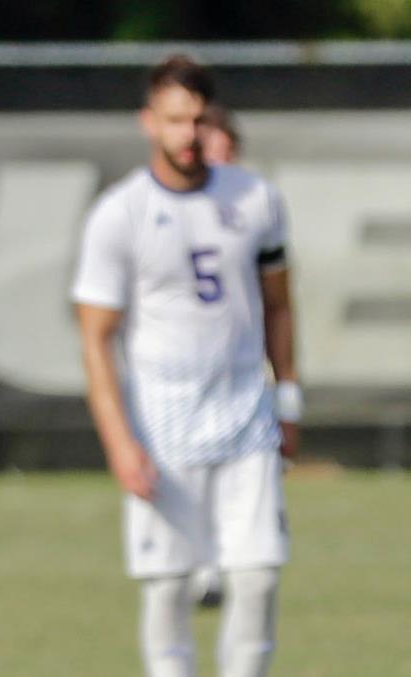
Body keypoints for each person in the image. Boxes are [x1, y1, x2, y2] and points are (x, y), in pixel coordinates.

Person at [73, 55, 302, 677]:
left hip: (244, 415)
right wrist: (119, 440)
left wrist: (288, 398)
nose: (188, 133)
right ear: (150, 122)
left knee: (257, 578)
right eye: (175, 119)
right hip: (162, 423)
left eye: (199, 119)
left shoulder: (255, 198)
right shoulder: (120, 213)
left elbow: (278, 304)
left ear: (213, 122)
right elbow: (96, 337)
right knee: (168, 586)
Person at [188, 98, 245, 611]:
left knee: (234, 467)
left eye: (224, 151)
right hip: (180, 365)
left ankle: (220, 564)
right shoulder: (162, 208)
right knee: (192, 467)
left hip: (238, 363)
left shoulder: (253, 211)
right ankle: (200, 562)